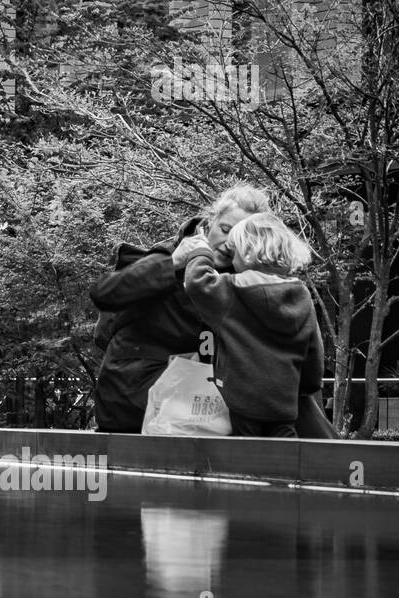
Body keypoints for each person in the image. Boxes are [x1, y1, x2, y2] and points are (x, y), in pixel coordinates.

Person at [89, 184, 271, 432]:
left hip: (200, 409)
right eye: (225, 229)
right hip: (134, 402)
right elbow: (105, 293)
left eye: (241, 237)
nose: (229, 243)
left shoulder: (245, 280)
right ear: (210, 221)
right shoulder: (171, 254)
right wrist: (172, 263)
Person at [180, 213, 324, 438]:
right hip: (284, 406)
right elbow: (314, 357)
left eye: (234, 250)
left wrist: (200, 251)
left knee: (245, 460)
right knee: (282, 458)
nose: (231, 257)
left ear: (247, 253)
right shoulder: (302, 296)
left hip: (240, 404)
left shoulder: (234, 290)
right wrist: (304, 387)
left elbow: (197, 283)